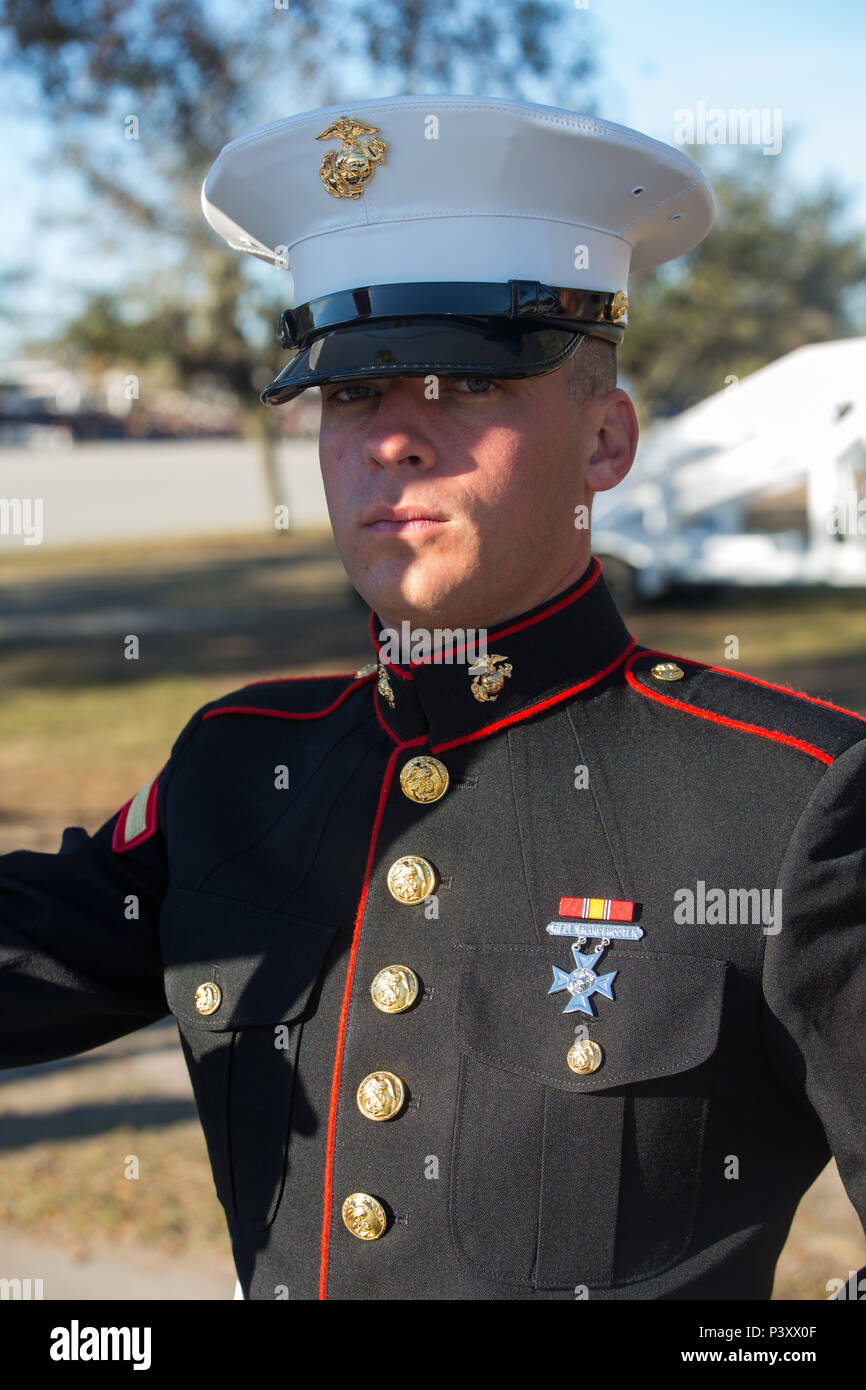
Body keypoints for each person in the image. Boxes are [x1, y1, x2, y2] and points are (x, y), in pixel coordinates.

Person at [1, 94, 864, 1302]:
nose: (393, 438)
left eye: (464, 382)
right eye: (351, 394)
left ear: (604, 442)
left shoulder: (791, 803)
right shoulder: (240, 765)